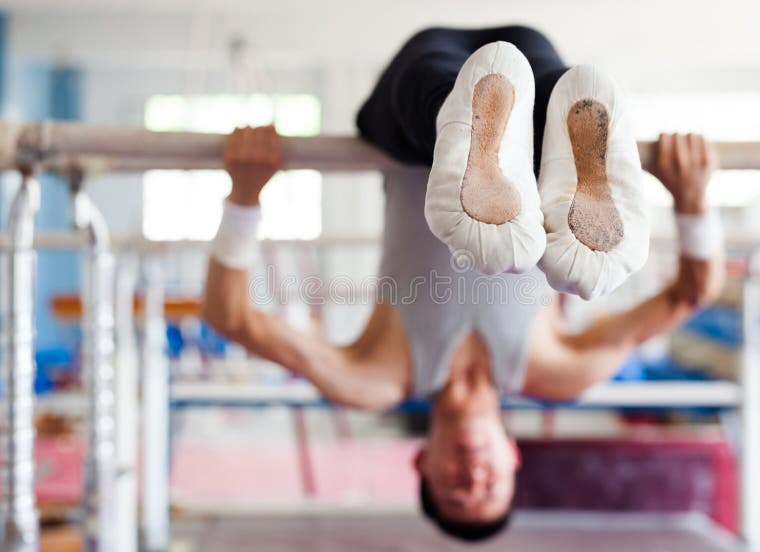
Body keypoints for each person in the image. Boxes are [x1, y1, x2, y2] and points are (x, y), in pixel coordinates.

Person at [202, 25, 725, 542]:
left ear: (421, 462)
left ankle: (473, 136)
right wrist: (694, 203)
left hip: (409, 126)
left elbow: (234, 319)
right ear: (513, 458)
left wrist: (244, 198)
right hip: (531, 76)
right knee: (549, 102)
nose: (472, 476)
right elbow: (688, 295)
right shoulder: (561, 372)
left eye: (455, 490)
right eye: (490, 485)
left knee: (428, 99)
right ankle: (550, 148)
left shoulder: (376, 378)